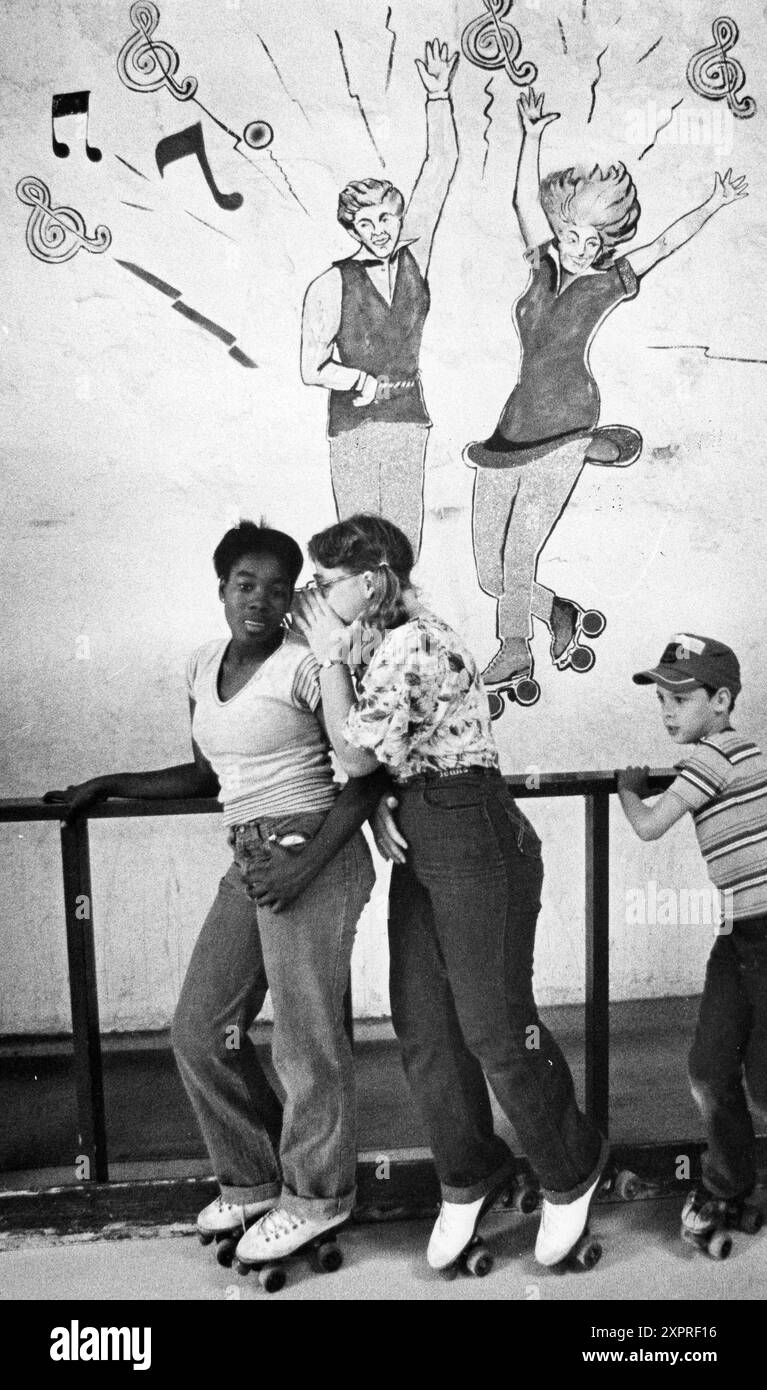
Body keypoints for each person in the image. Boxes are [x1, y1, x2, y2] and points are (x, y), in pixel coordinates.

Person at [44, 521, 379, 1266]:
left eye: (274, 586)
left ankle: (317, 1197)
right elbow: (206, 774)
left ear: (295, 594)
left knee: (305, 1038)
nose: (258, 600)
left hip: (314, 849)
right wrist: (108, 784)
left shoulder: (307, 665)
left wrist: (301, 866)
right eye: (242, 584)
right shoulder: (202, 665)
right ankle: (255, 1179)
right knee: (200, 1028)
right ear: (222, 589)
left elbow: (365, 774)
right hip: (251, 852)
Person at [283, 512, 607, 1270]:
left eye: (323, 584)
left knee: (494, 1025)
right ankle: (470, 1169)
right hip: (430, 821)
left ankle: (571, 1164)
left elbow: (356, 757)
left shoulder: (409, 642)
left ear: (368, 584)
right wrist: (391, 804)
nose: (312, 598)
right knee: (424, 1023)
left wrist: (330, 662)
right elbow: (385, 764)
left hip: (471, 828)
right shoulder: (380, 639)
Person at [465, 86, 748, 704]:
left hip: (567, 420)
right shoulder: (540, 264)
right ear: (560, 222)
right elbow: (520, 199)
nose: (581, 246)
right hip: (512, 425)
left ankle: (514, 650)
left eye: (596, 239)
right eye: (573, 231)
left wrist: (713, 203)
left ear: (607, 242)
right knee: (491, 571)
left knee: (517, 557)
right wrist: (531, 134)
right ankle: (557, 611)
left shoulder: (608, 284)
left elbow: (665, 245)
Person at [617, 634, 767, 1243]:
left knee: (750, 1079)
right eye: (661, 698)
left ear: (722, 700)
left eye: (681, 696)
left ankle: (731, 1183)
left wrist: (629, 787)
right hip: (737, 939)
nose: (667, 710)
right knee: (709, 1066)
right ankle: (729, 1183)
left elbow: (651, 825)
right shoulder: (749, 752)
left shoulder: (712, 756)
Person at [300, 38, 459, 561]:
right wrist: (356, 380)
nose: (379, 231)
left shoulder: (418, 257)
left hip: (410, 418)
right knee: (360, 552)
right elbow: (310, 366)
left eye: (386, 219)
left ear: (398, 215)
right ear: (353, 227)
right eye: (365, 224)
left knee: (403, 548)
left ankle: (400, 640)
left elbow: (441, 167)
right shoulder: (329, 282)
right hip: (355, 427)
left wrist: (439, 95)